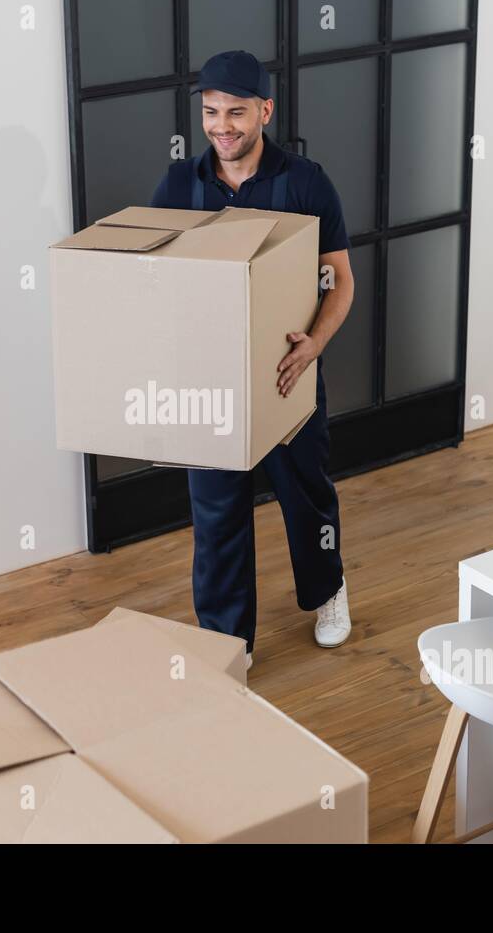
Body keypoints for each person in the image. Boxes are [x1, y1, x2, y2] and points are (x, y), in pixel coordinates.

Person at [149, 50, 354, 669]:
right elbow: (158, 282)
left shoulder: (304, 182)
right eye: (211, 112)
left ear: (265, 110)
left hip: (286, 375)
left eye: (236, 112)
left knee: (306, 495)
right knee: (215, 510)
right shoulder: (180, 185)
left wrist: (315, 346)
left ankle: (328, 592)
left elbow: (341, 280)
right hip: (213, 381)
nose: (222, 126)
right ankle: (226, 642)